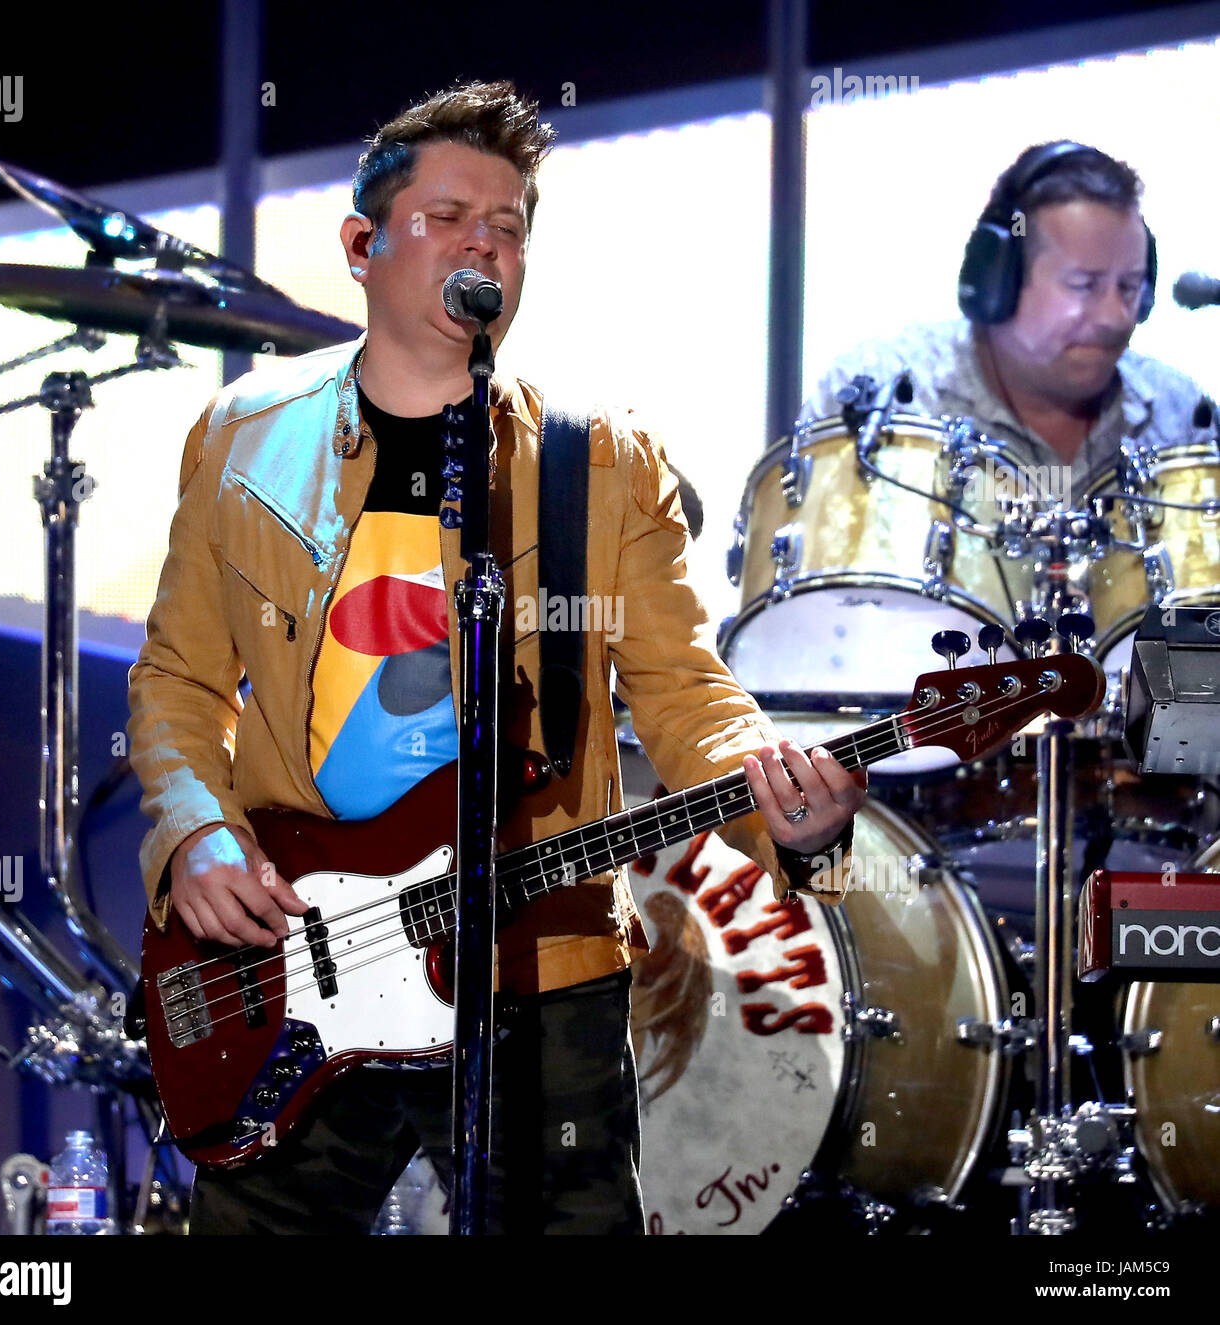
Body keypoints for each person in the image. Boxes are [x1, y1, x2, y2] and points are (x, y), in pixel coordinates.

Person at [126, 79, 865, 1236]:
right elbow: (177, 680)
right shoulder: (244, 436)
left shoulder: (601, 459)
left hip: (540, 963)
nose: (486, 243)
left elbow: (682, 689)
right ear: (363, 246)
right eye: (449, 217)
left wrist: (784, 808)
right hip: (301, 953)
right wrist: (199, 836)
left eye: (509, 226)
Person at [804, 141, 1214, 503]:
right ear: (997, 280)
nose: (1114, 316)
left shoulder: (1181, 416)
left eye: (1128, 287)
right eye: (1084, 285)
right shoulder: (882, 397)